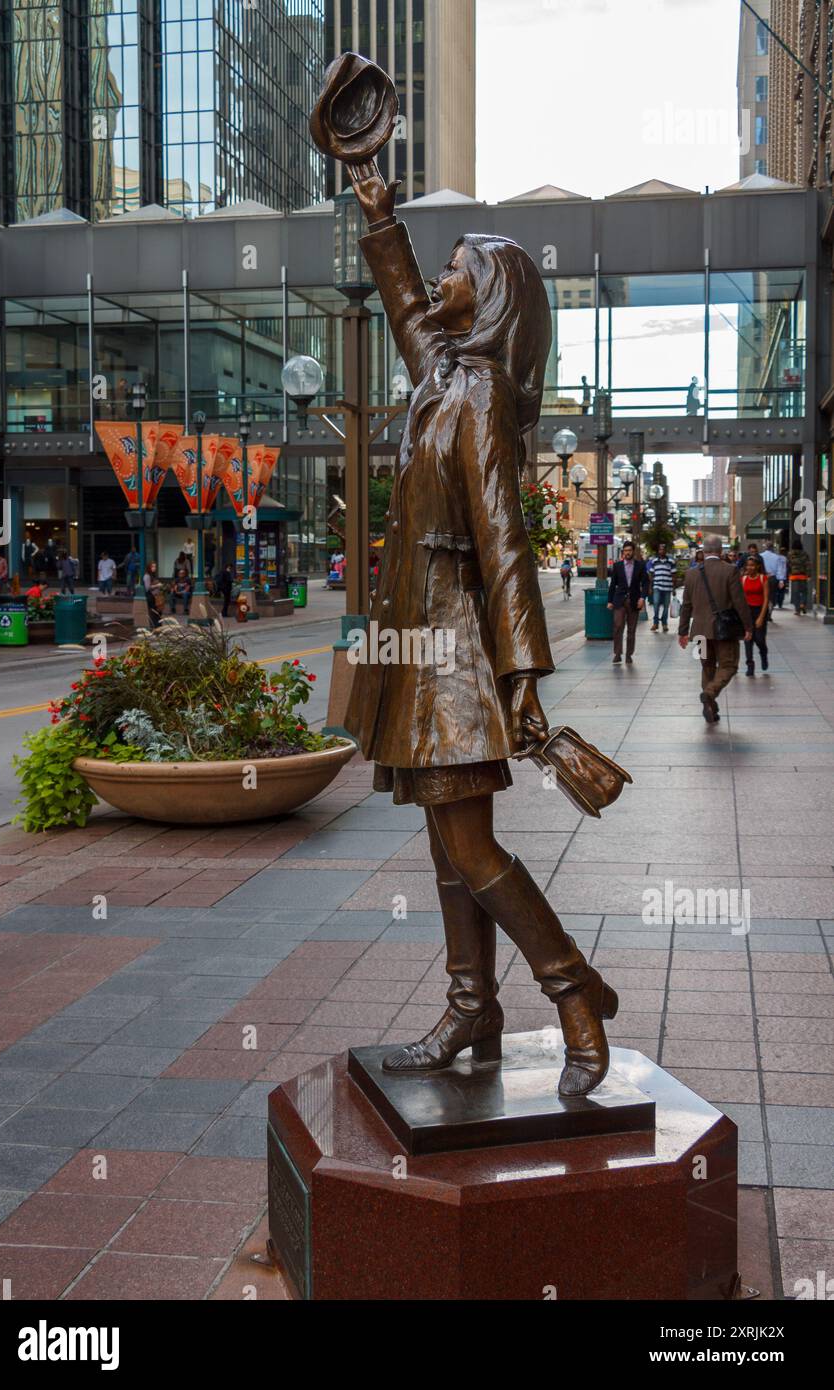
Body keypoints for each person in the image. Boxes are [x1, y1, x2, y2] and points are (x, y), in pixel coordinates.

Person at [341, 157, 617, 1097]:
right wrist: (381, 221)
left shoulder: (485, 395)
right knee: (441, 835)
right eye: (444, 268)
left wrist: (522, 669)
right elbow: (405, 302)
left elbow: (503, 538)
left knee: (467, 844)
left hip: (457, 643)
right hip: (421, 638)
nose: (443, 281)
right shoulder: (442, 375)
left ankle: (574, 991)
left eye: (459, 268)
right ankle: (473, 1004)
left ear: (489, 296)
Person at [678, 535, 753, 722]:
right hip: (723, 631)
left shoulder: (691, 574)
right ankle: (710, 693)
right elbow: (739, 602)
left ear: (703, 551)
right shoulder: (730, 571)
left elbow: (685, 605)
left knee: (707, 666)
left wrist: (682, 632)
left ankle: (709, 705)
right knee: (729, 665)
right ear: (721, 551)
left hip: (699, 632)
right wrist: (748, 626)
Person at [607, 539, 649, 664]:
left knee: (631, 630)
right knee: (618, 626)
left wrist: (642, 598)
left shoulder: (640, 566)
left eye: (629, 550)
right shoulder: (617, 566)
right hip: (619, 601)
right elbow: (613, 584)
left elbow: (646, 583)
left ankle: (629, 655)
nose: (627, 553)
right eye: (625, 551)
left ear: (633, 552)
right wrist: (610, 600)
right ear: (622, 552)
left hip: (634, 601)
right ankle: (617, 653)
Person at [741, 554, 769, 676]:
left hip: (760, 610)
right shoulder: (743, 579)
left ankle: (763, 654)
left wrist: (761, 617)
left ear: (757, 566)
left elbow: (766, 599)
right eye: (748, 565)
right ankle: (750, 665)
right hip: (747, 612)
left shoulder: (763, 578)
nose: (750, 567)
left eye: (752, 565)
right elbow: (741, 599)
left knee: (759, 639)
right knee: (748, 639)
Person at [648, 542, 675, 633]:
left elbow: (673, 575)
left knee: (666, 607)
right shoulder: (654, 561)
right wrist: (650, 587)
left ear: (665, 551)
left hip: (667, 587)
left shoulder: (671, 561)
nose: (661, 551)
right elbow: (651, 575)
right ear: (658, 551)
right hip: (657, 586)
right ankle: (655, 623)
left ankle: (664, 624)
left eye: (663, 549)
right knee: (656, 604)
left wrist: (674, 588)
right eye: (660, 549)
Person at [787, 542, 810, 614]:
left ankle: (797, 610)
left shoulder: (790, 554)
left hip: (794, 576)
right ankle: (802, 604)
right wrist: (809, 575)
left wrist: (789, 573)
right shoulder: (805, 554)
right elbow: (808, 565)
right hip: (803, 576)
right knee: (804, 592)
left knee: (795, 594)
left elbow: (788, 565)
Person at [142, 562, 162, 628]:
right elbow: (147, 588)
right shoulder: (147, 576)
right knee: (153, 612)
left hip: (156, 596)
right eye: (153, 567)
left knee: (158, 612)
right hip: (151, 596)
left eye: (155, 567)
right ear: (149, 568)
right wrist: (157, 585)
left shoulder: (152, 575)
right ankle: (154, 626)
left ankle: (158, 626)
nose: (154, 568)